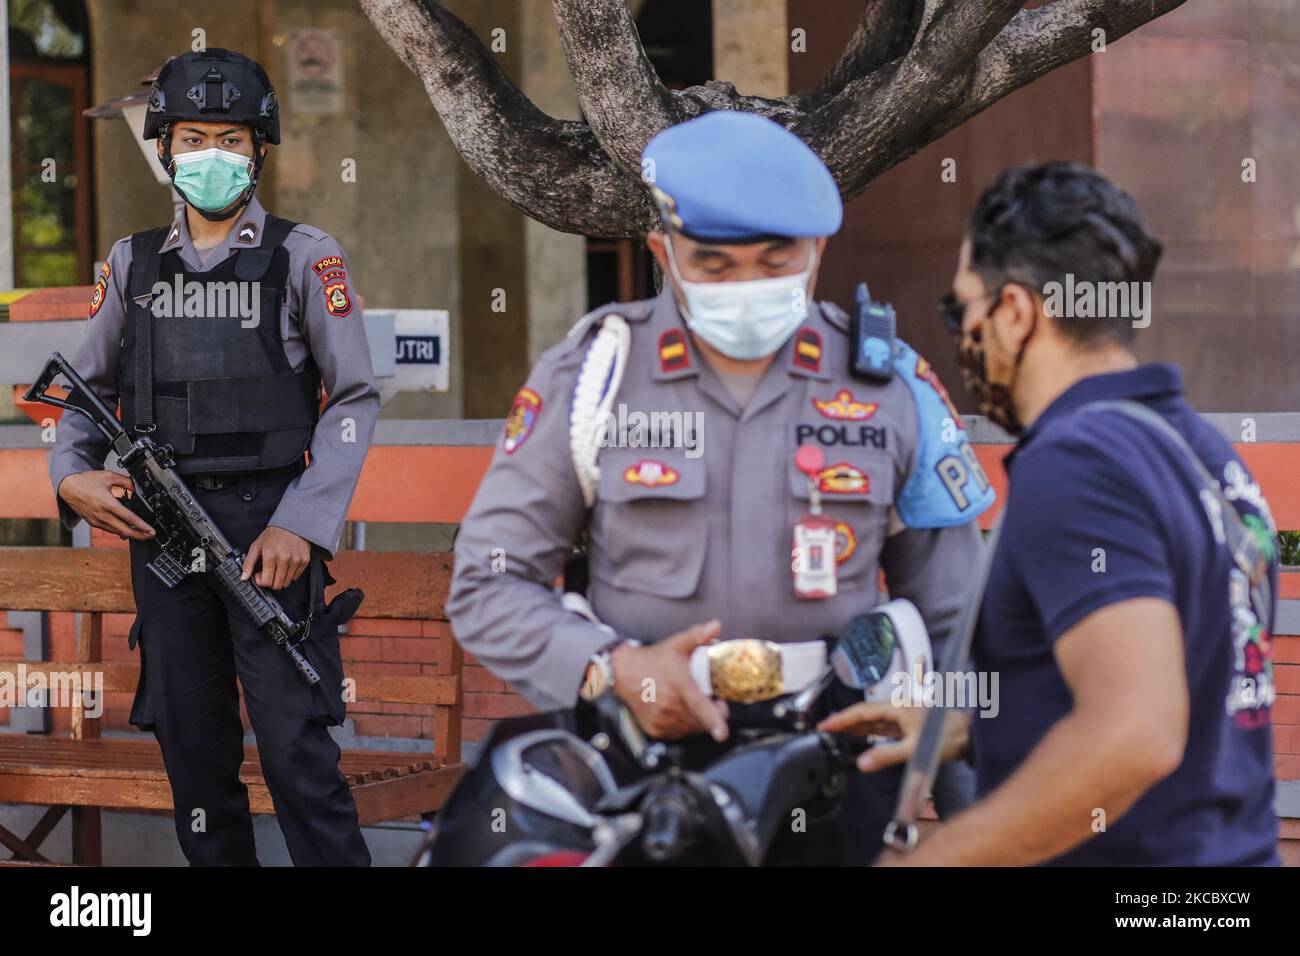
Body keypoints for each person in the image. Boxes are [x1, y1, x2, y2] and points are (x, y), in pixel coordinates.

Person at [447, 111, 995, 864]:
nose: (748, 285)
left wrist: (976, 826)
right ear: (662, 253)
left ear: (818, 249)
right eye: (714, 263)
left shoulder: (892, 387)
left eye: (777, 260)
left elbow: (959, 628)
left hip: (833, 767)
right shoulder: (593, 380)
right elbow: (486, 583)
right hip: (639, 765)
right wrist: (609, 668)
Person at [822, 162, 1281, 866]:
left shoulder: (1078, 464)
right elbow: (1181, 680)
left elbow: (1134, 731)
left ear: (1014, 314)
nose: (958, 333)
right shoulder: (1201, 450)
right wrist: (973, 726)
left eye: (959, 310)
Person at [48, 48, 379, 866]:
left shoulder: (306, 256)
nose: (212, 157)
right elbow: (74, 396)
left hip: (270, 538)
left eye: (231, 140)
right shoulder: (130, 265)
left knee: (298, 755)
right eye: (193, 138)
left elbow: (354, 398)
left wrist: (303, 523)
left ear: (259, 148)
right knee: (195, 759)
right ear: (164, 149)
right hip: (162, 538)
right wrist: (71, 476)